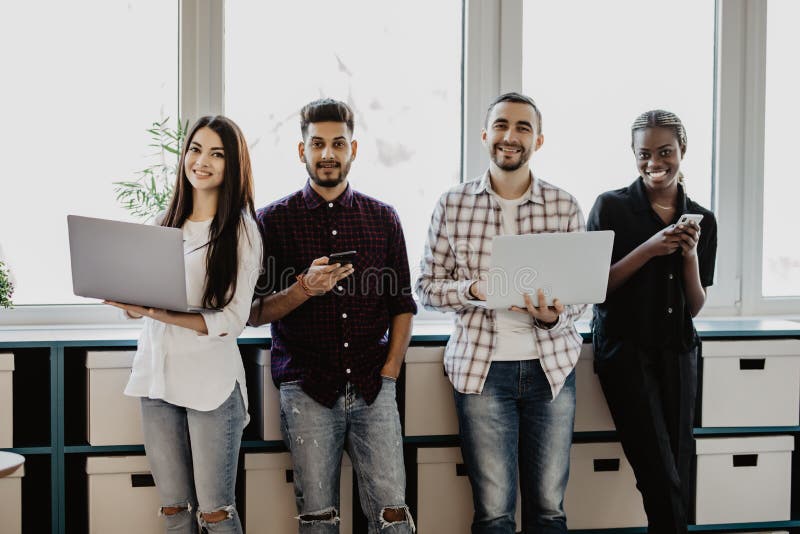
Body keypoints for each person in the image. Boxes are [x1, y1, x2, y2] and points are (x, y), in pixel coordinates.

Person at [416, 92, 586, 534]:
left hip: (551, 369)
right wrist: (473, 289)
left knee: (549, 509)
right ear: (485, 134)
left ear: (539, 141)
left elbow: (583, 296)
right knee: (493, 513)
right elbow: (425, 289)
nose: (511, 136)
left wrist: (553, 317)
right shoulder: (452, 203)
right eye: (502, 126)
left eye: (523, 128)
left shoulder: (564, 205)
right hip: (481, 372)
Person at [248, 98, 417, 533]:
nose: (328, 153)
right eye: (318, 143)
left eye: (338, 143)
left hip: (372, 383)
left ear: (353, 150)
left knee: (392, 514)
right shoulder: (272, 221)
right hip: (306, 387)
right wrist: (304, 288)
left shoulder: (383, 219)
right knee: (318, 516)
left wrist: (391, 372)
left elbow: (402, 304)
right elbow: (253, 313)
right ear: (301, 151)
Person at [106, 115, 262, 533]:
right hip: (158, 380)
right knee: (175, 511)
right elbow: (141, 305)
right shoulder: (163, 222)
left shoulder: (243, 231)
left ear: (233, 165)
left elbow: (234, 319)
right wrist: (127, 300)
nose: (202, 161)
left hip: (211, 387)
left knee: (215, 513)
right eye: (195, 149)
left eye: (217, 153)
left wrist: (162, 313)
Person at [586, 110, 717, 533]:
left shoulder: (702, 219)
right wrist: (650, 248)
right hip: (625, 351)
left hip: (678, 350)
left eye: (665, 152)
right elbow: (595, 288)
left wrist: (689, 254)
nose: (654, 163)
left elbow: (694, 306)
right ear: (633, 153)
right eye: (644, 153)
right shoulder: (611, 206)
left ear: (683, 151)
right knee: (659, 474)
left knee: (678, 468)